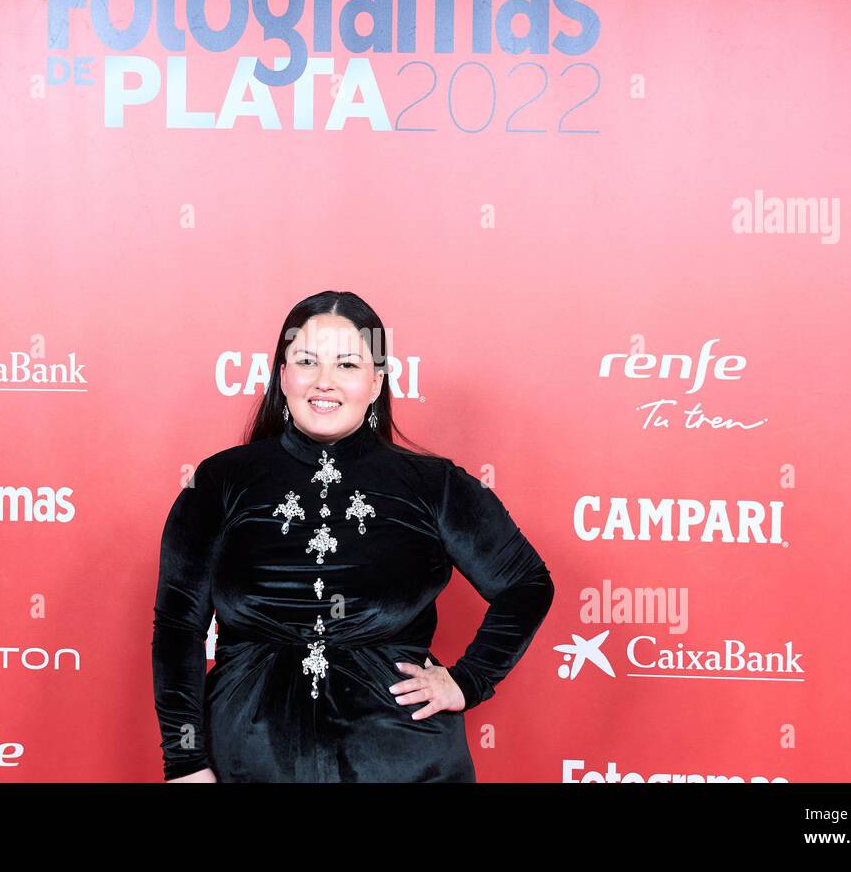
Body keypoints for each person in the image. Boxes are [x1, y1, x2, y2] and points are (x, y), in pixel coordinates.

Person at [151, 290, 555, 782]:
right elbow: (178, 628)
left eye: (347, 365)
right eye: (306, 361)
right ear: (282, 374)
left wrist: (468, 681)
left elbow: (526, 584)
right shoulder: (218, 482)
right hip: (248, 759)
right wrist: (186, 759)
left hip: (403, 760)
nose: (324, 382)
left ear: (376, 380)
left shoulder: (435, 485)